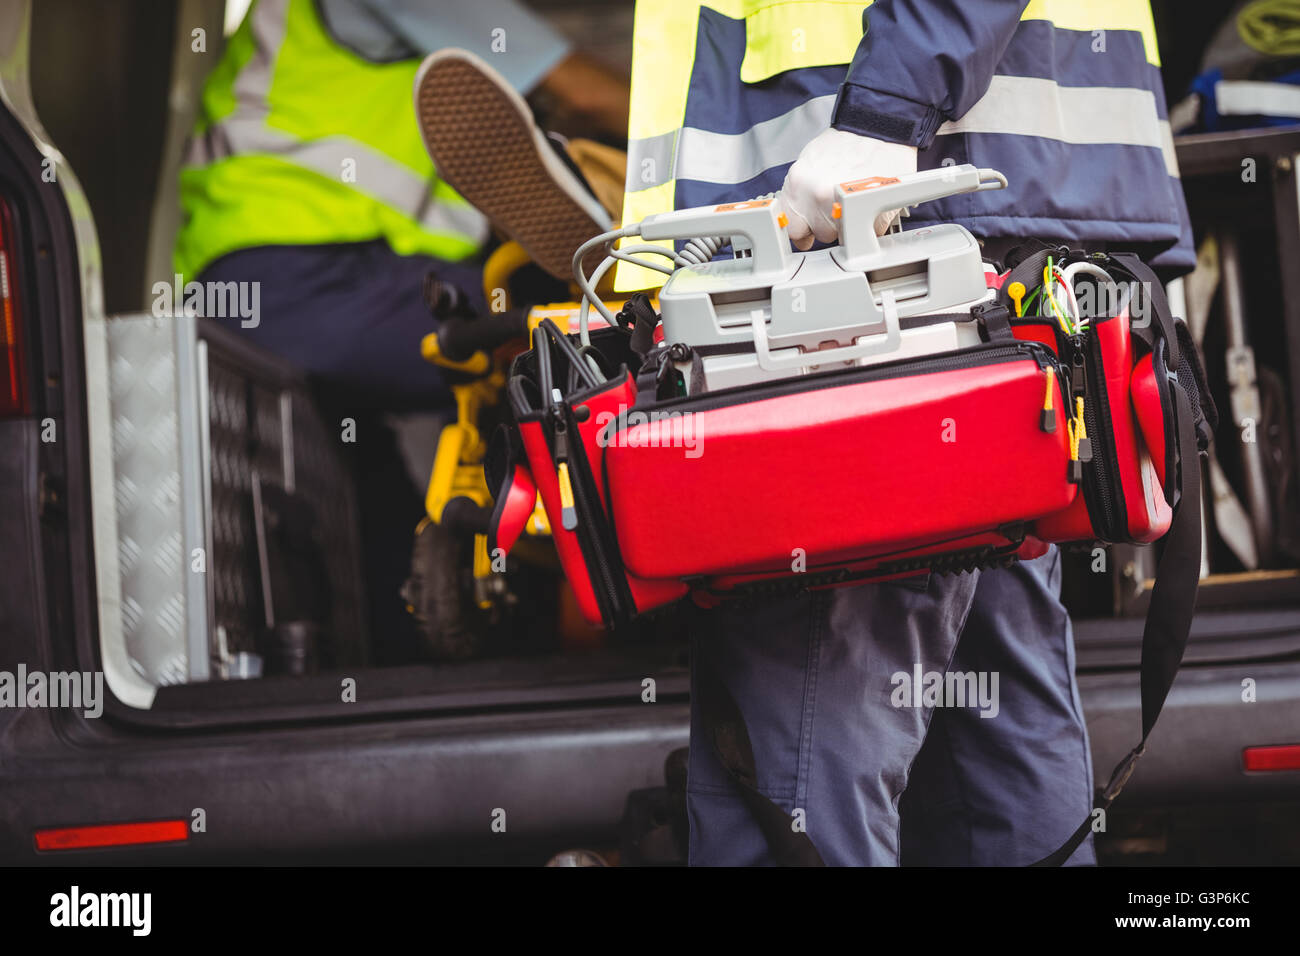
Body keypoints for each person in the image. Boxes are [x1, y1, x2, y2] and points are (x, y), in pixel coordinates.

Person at [611, 0, 1194, 865]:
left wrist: (883, 116)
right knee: (990, 743)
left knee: (795, 775)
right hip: (940, 256)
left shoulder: (886, 132)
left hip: (863, 263)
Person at [175, 0, 627, 663]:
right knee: (570, 342)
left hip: (303, 285)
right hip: (294, 278)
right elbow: (585, 92)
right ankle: (605, 622)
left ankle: (426, 662)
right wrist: (700, 149)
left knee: (384, 528)